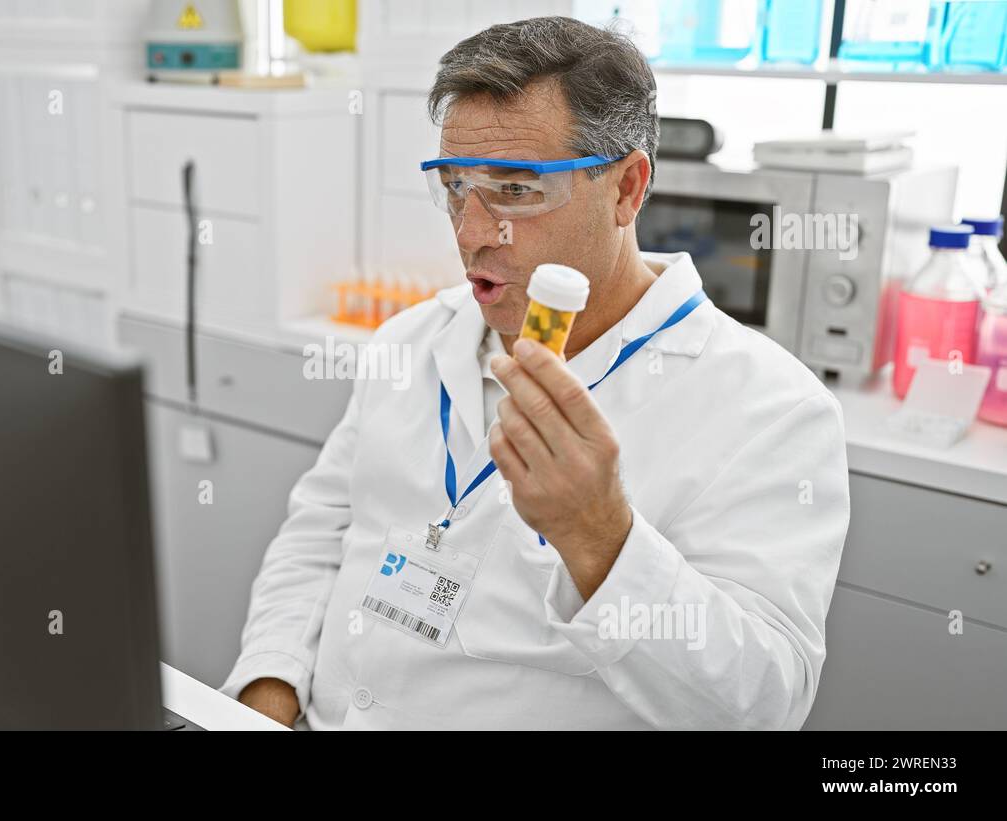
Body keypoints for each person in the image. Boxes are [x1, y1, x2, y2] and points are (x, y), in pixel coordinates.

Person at [221, 16, 850, 730]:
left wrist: (601, 539)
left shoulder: (772, 409)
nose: (471, 231)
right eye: (455, 185)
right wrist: (264, 699)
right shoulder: (413, 341)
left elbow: (762, 702)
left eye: (516, 190)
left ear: (627, 188)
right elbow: (323, 532)